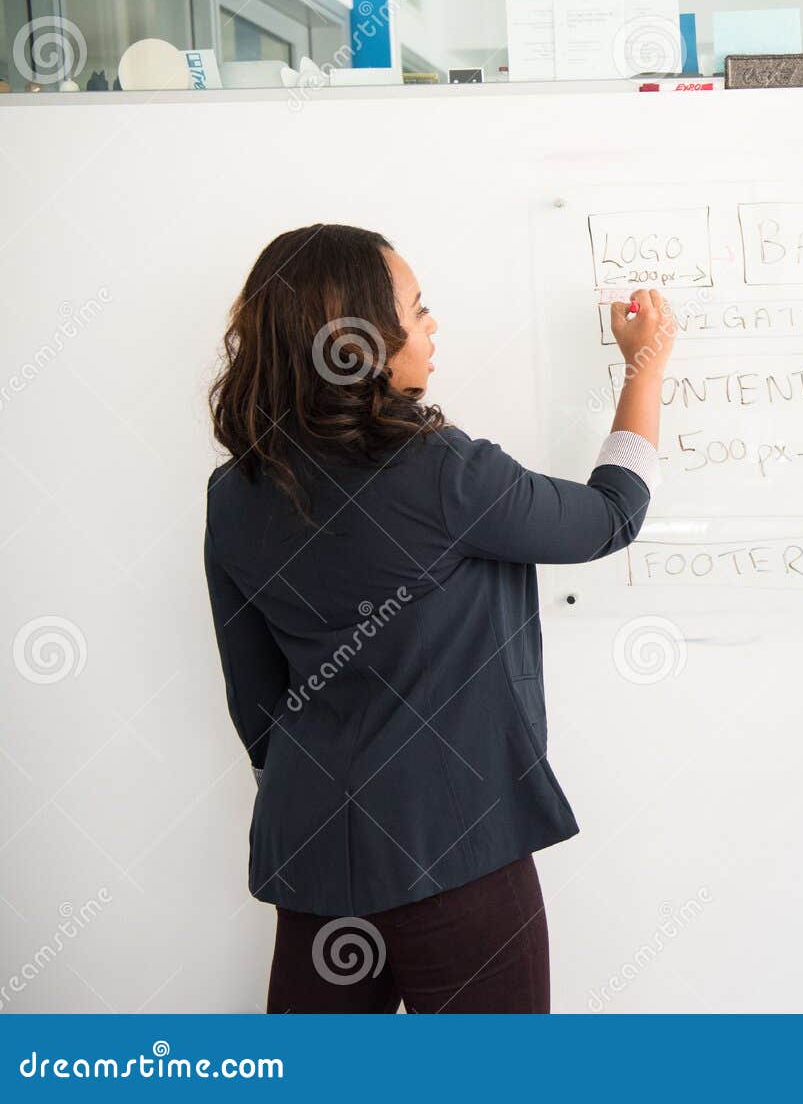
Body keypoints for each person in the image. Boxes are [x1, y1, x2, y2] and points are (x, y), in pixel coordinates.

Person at [203, 224, 675, 1012]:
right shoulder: (443, 472)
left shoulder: (236, 491)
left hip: (314, 851)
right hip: (454, 853)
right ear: (358, 342)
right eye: (417, 311)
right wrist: (645, 369)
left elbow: (253, 695)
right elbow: (610, 518)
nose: (431, 327)